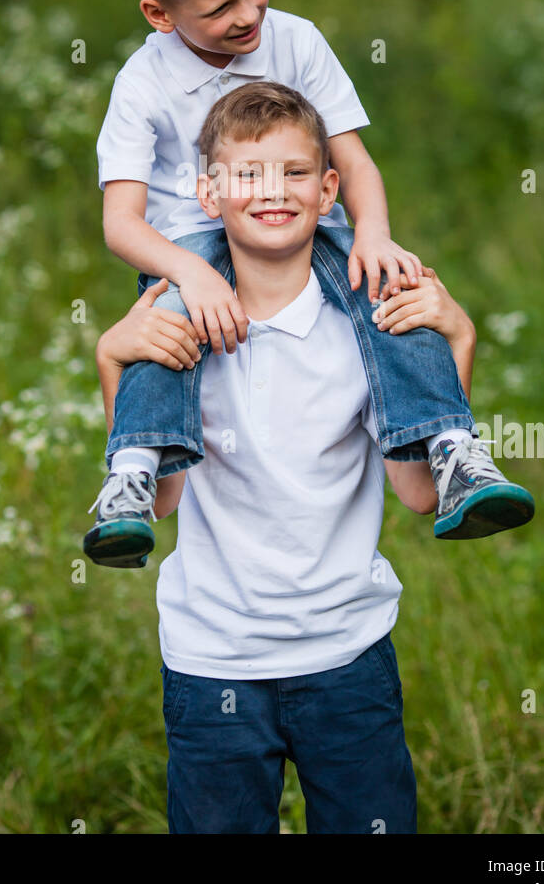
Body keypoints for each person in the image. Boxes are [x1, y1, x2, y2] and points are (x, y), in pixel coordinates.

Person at [84, 0, 533, 567]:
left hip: (302, 224)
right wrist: (191, 272)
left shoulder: (295, 41)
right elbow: (122, 222)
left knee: (386, 287)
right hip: (190, 247)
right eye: (220, 7)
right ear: (160, 14)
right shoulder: (143, 84)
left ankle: (452, 452)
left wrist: (375, 235)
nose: (247, 13)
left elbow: (354, 165)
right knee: (163, 323)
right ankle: (132, 476)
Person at [92, 84, 498, 833]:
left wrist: (460, 341)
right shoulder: (179, 322)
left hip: (346, 653)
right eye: (248, 175)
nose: (272, 192)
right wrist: (110, 359)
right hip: (214, 657)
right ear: (210, 194)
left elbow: (416, 494)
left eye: (294, 173)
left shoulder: (371, 325)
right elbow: (160, 504)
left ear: (329, 190)